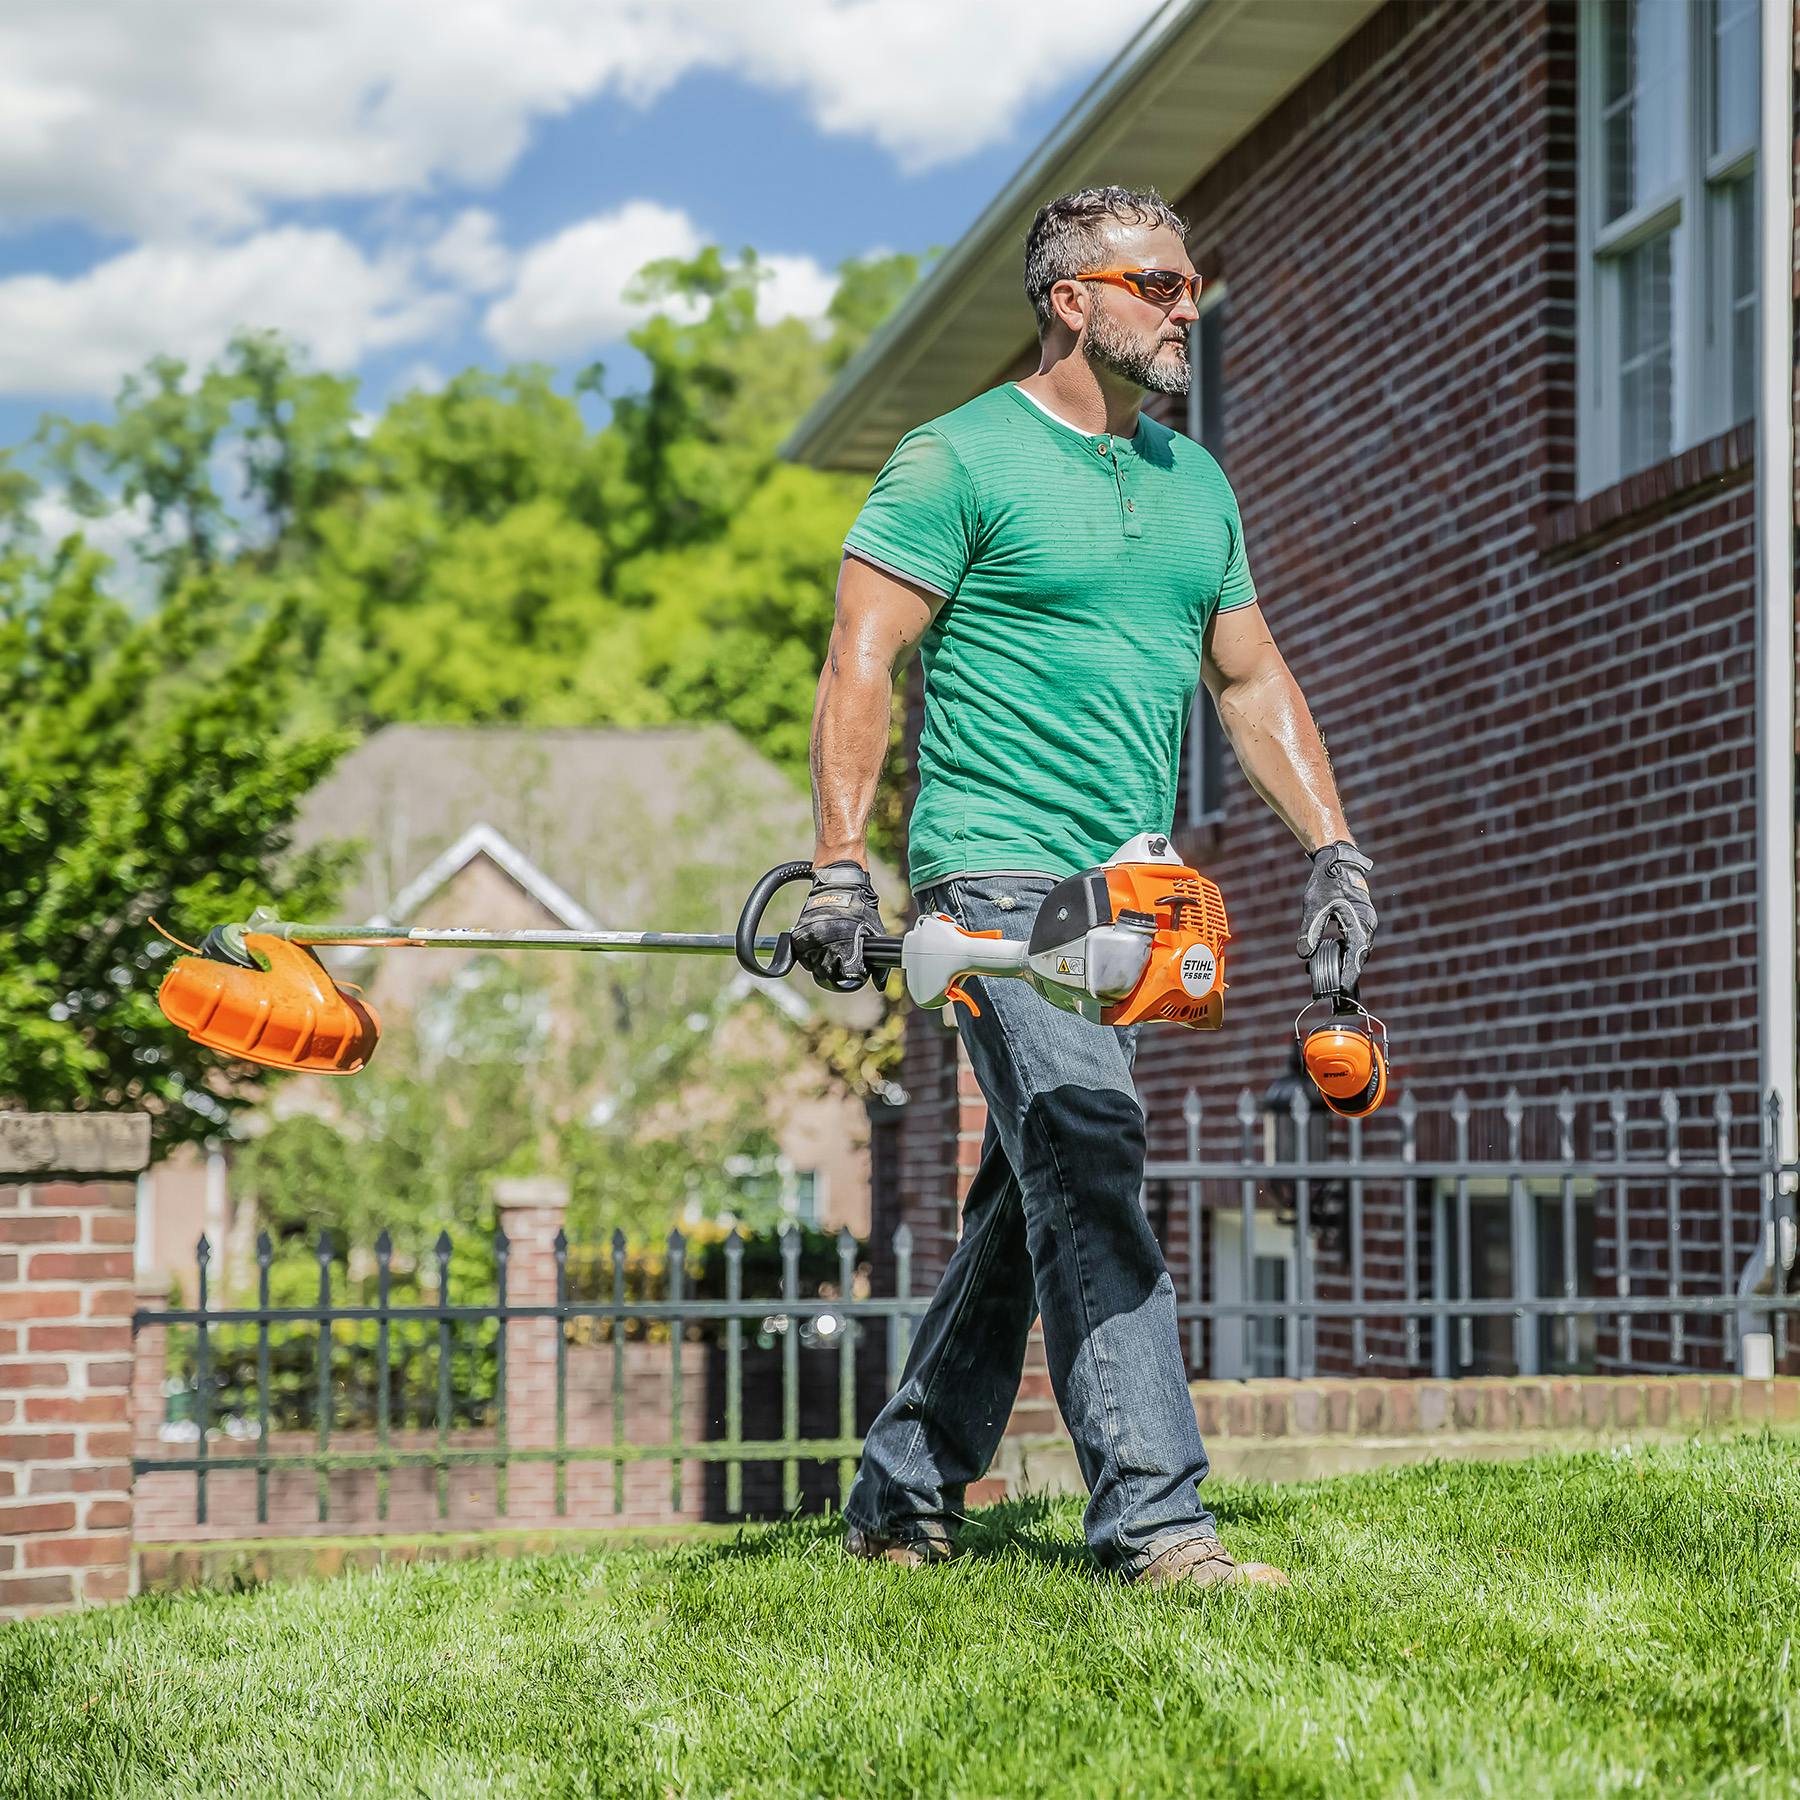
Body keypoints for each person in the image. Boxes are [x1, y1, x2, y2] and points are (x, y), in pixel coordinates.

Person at [789, 186, 1377, 1590]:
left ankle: (902, 1487)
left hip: (1129, 888)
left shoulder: (1196, 484)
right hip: (993, 870)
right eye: (1157, 285)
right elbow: (860, 654)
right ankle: (1157, 1524)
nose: (1187, 308)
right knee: (1094, 1150)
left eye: (1190, 285)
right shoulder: (960, 458)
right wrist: (838, 864)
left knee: (1034, 1173)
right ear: (1071, 298)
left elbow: (1248, 679)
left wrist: (1333, 849)